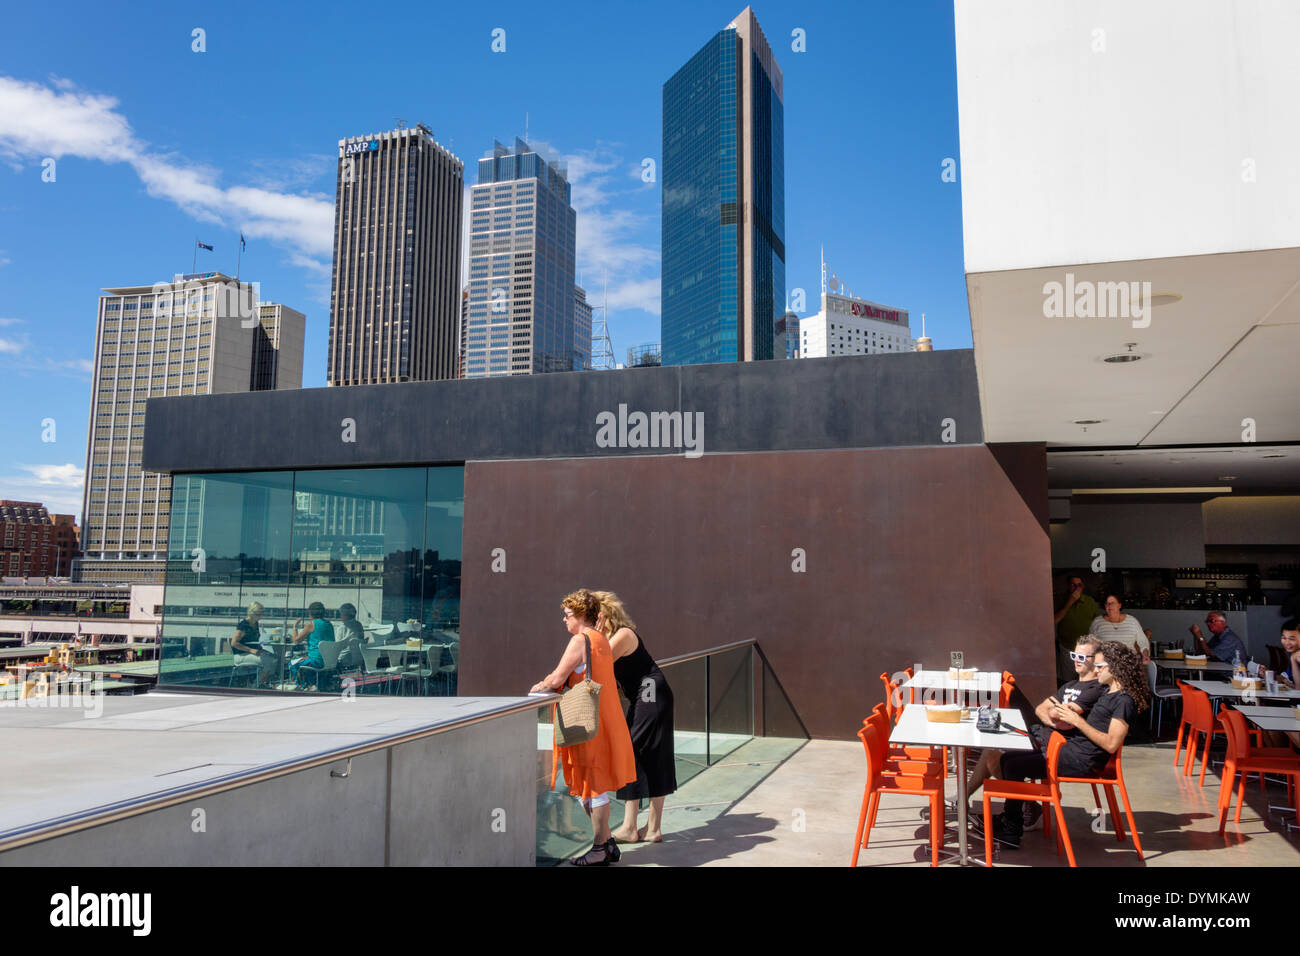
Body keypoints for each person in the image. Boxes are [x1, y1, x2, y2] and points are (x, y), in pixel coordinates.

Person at [986, 640, 1148, 849]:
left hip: (1083, 760)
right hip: (1073, 750)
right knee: (1008, 759)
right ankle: (1012, 822)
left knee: (1013, 765)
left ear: (1115, 668)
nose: (1096, 672)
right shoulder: (1109, 692)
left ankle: (1011, 830)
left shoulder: (1124, 701)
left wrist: (1077, 721)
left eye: (1100, 667)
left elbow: (1111, 744)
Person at [530, 589, 636, 865]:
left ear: (579, 616)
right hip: (603, 717)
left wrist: (538, 687)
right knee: (593, 782)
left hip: (586, 722)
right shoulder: (600, 638)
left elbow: (558, 677)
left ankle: (599, 848)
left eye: (567, 615)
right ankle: (608, 843)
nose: (564, 620)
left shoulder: (580, 640)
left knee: (592, 784)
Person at [965, 635, 1103, 821]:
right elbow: (1041, 709)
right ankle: (968, 798)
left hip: (1061, 749)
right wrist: (1056, 719)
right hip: (1047, 737)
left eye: (1081, 657)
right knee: (992, 749)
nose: (1076, 662)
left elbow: (1061, 712)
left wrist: (1056, 714)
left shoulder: (1094, 689)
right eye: (1074, 656)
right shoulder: (1070, 685)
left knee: (998, 756)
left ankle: (1022, 809)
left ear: (1096, 660)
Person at [591, 590, 676, 844]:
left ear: (603, 616)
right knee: (648, 755)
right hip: (649, 696)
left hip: (650, 695)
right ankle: (651, 829)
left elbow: (597, 664)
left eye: (590, 618)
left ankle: (632, 827)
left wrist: (592, 637)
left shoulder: (622, 636)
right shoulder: (612, 638)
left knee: (633, 752)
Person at [1054, 574, 1099, 682]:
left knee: (1086, 679)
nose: (1076, 588)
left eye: (1079, 585)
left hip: (1086, 649)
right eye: (1073, 585)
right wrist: (1070, 602)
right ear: (1069, 587)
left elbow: (1097, 623)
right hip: (1067, 648)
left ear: (1083, 587)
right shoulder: (1061, 600)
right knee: (1068, 681)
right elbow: (1054, 621)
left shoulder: (1089, 602)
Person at [230, 601, 277, 688]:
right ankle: (255, 686)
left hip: (253, 652)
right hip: (241, 655)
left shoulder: (255, 624)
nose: (261, 616)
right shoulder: (243, 625)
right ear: (252, 613)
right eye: (259, 614)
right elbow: (234, 643)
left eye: (261, 614)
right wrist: (250, 650)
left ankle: (261, 682)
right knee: (268, 661)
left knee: (274, 658)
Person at [1090, 594, 1149, 663]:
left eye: (1112, 603)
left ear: (1119, 605)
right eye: (1107, 603)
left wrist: (1145, 655)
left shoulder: (1132, 621)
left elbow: (1143, 643)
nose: (1110, 606)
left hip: (1129, 664)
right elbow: (1090, 644)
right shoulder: (1097, 622)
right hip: (1105, 665)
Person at [290, 601, 335, 690]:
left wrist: (295, 626)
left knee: (291, 663)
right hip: (329, 660)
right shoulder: (329, 624)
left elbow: (296, 641)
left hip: (316, 660)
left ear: (310, 613)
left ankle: (304, 686)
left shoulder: (311, 624)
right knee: (306, 661)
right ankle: (314, 684)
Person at [335, 603, 366, 673]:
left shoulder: (341, 628)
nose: (340, 616)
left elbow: (337, 646)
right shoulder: (359, 625)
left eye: (341, 614)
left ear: (345, 615)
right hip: (358, 658)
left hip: (344, 659)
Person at [1276, 620, 1300, 688]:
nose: (1287, 643)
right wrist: (1266, 674)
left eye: (1292, 639)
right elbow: (1284, 677)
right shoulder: (1294, 656)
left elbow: (1298, 689)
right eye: (1284, 638)